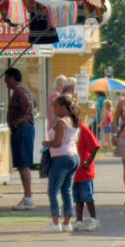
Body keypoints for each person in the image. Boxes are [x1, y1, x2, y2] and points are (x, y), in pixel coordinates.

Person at [43, 94, 81, 233]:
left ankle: (55, 222)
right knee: (67, 190)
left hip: (61, 157)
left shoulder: (61, 122)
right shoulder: (73, 121)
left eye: (55, 106)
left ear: (63, 107)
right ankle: (67, 222)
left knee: (53, 190)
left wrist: (46, 143)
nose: (53, 109)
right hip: (73, 156)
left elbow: (58, 143)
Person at [6, 67, 36, 210]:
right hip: (24, 129)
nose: (5, 81)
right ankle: (27, 196)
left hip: (22, 129)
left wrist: (18, 120)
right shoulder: (25, 89)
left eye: (6, 78)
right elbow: (33, 103)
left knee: (23, 164)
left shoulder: (18, 90)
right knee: (21, 164)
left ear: (12, 78)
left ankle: (28, 197)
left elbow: (29, 104)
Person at [72, 116, 101, 231]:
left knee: (87, 196)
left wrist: (88, 162)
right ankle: (79, 221)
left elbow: (95, 146)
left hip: (84, 171)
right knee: (77, 198)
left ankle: (94, 219)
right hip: (75, 171)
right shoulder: (69, 130)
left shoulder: (83, 129)